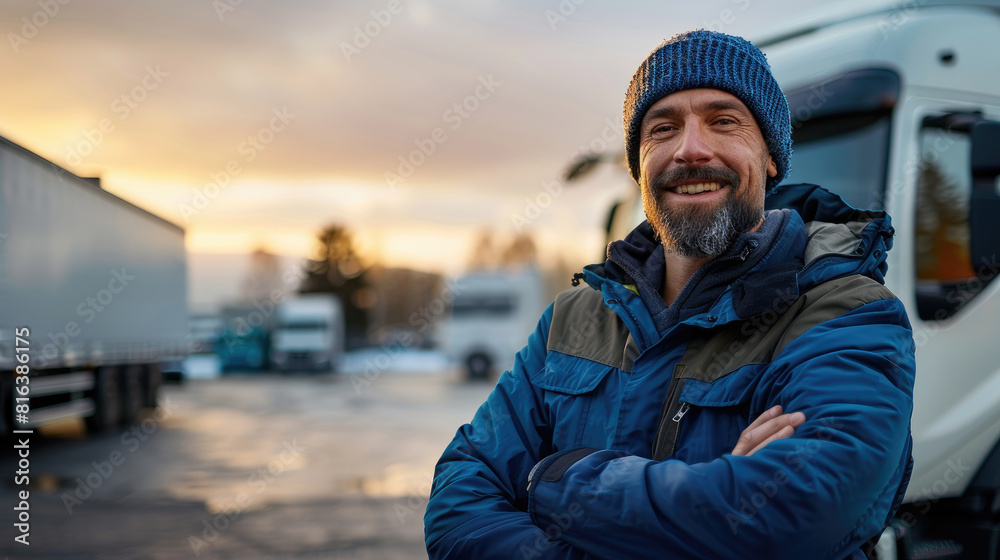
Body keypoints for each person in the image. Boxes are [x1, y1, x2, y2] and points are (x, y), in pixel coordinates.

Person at [424, 30, 915, 560]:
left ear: (771, 156)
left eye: (723, 121)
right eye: (663, 129)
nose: (690, 149)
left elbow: (802, 510)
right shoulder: (572, 318)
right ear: (638, 167)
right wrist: (714, 502)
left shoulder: (846, 313)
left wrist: (558, 481)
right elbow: (456, 510)